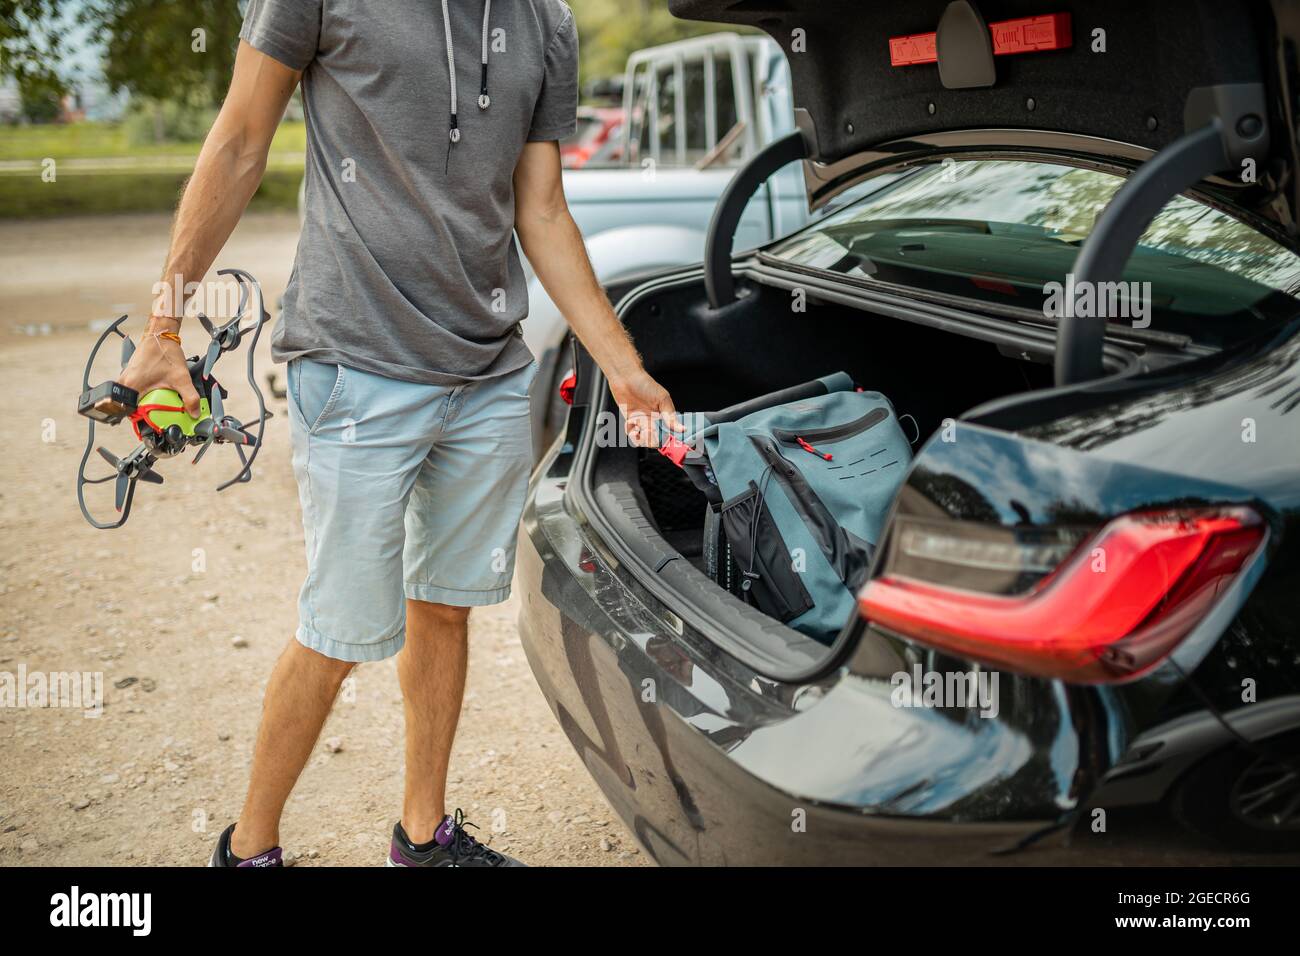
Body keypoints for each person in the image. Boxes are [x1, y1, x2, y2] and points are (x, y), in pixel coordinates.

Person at [119, 0, 681, 867]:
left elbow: (542, 212)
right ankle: (248, 849)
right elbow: (237, 141)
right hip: (355, 364)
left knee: (443, 609)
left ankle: (424, 838)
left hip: (488, 374)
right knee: (337, 631)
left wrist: (623, 364)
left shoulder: (546, 21)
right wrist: (164, 326)